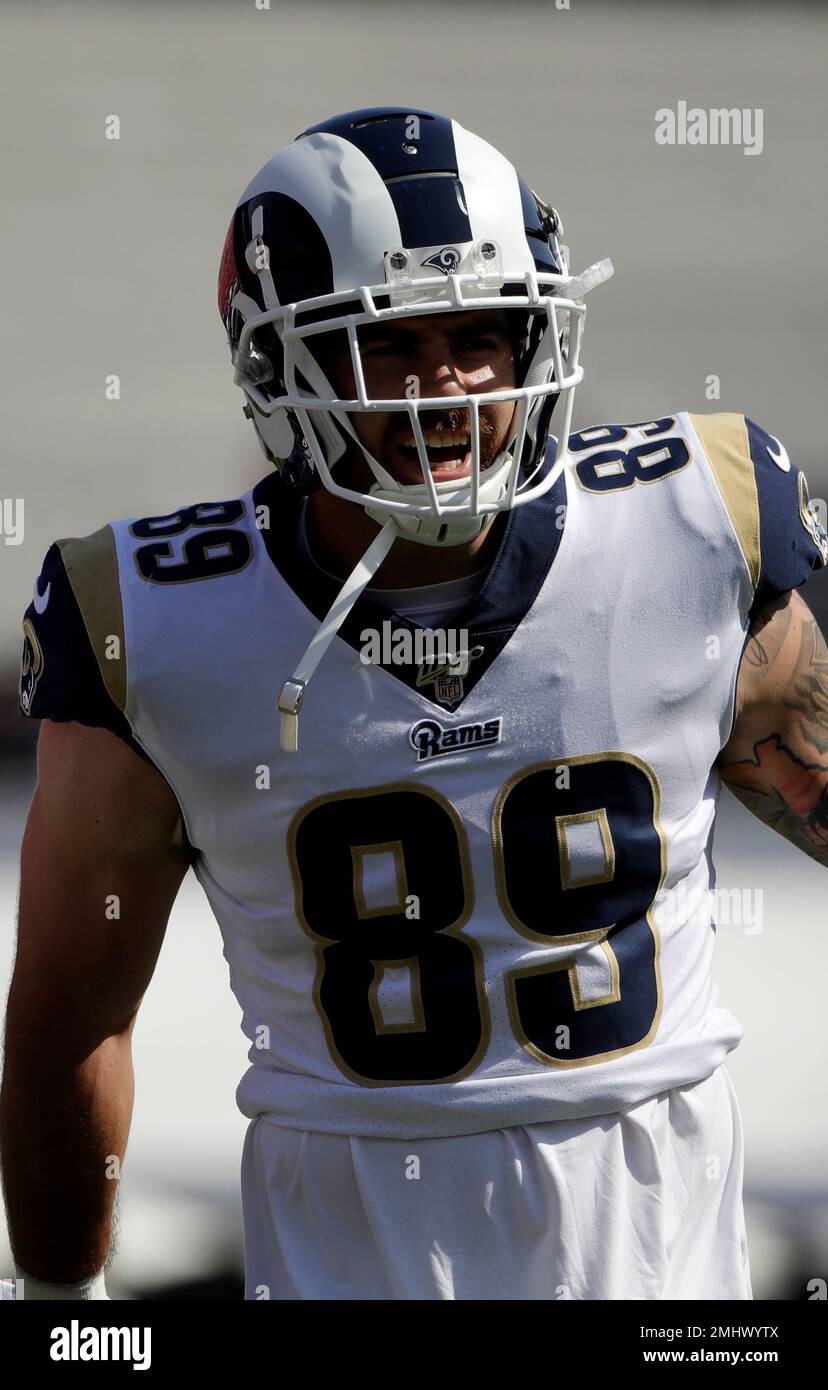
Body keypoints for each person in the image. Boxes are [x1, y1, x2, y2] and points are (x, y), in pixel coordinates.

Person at [2, 105, 826, 1302]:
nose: (445, 385)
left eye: (482, 334)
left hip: (666, 1273)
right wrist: (66, 1305)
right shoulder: (146, 624)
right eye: (387, 343)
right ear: (276, 362)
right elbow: (70, 1012)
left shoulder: (693, 526)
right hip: (352, 1256)